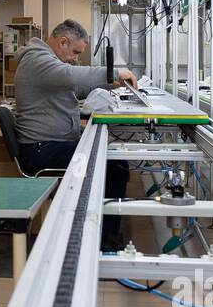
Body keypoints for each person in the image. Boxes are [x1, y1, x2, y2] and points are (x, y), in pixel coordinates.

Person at [12, 19, 136, 251]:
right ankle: (104, 240)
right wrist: (113, 72)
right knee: (114, 165)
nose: (76, 58)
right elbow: (70, 75)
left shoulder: (45, 62)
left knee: (110, 157)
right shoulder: (37, 60)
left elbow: (75, 88)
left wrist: (112, 84)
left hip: (52, 144)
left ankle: (97, 226)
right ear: (62, 42)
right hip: (41, 151)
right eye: (76, 52)